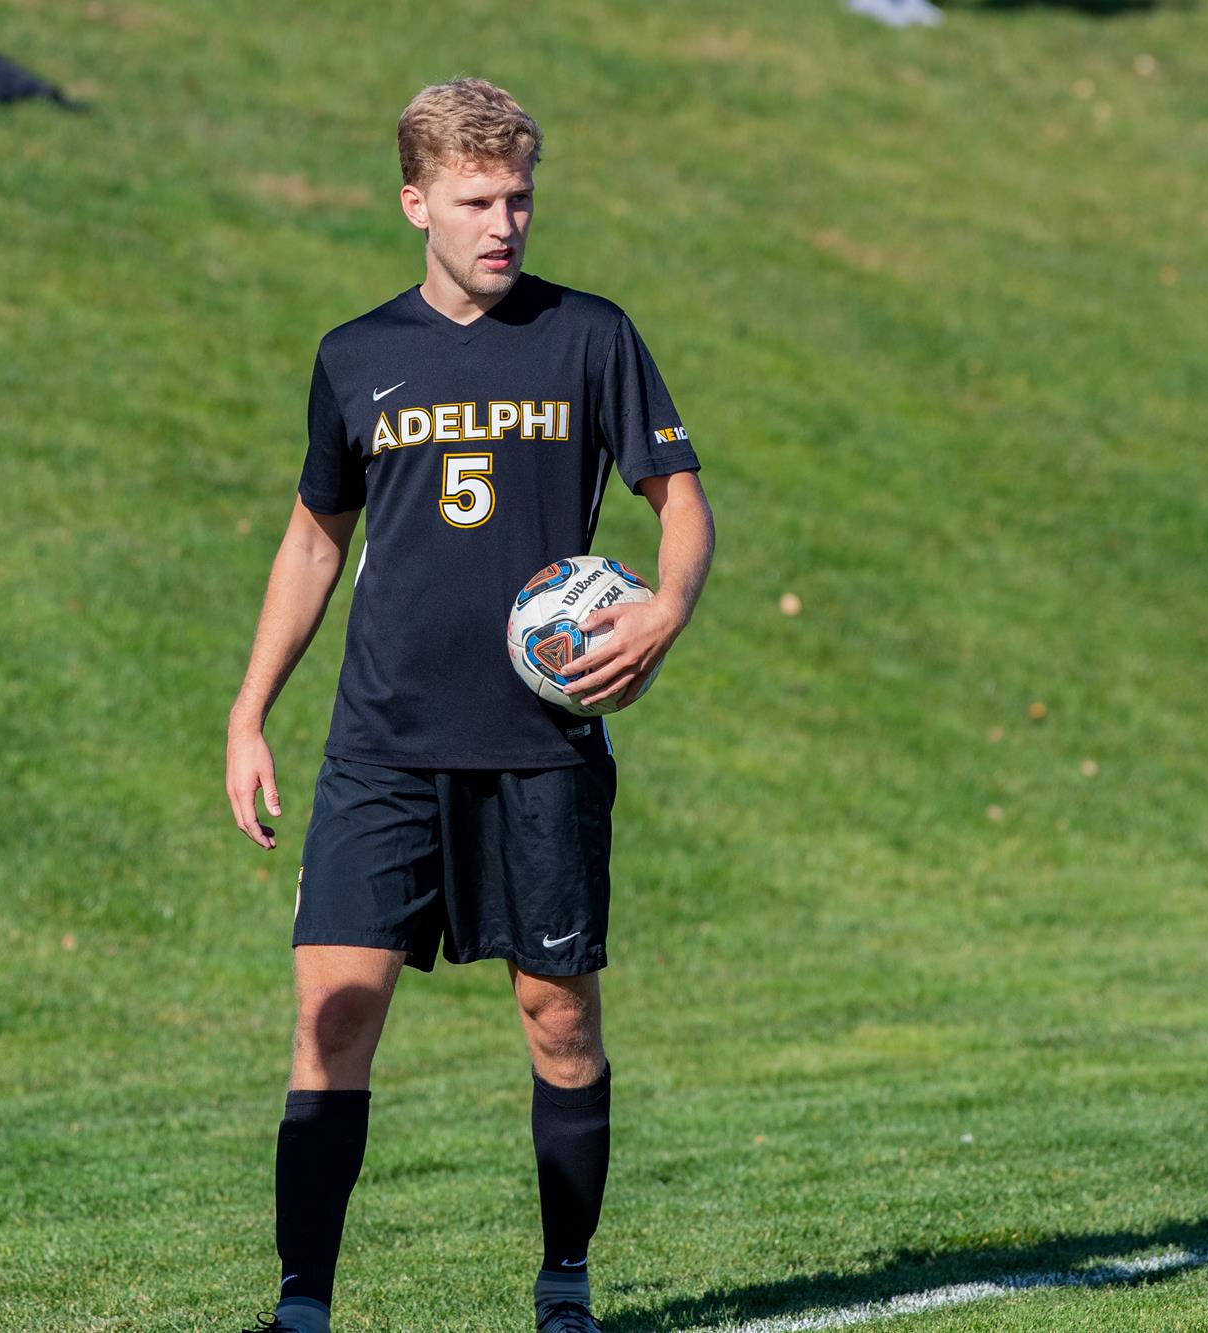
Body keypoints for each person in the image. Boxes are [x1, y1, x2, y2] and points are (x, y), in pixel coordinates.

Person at [223, 80, 714, 1333]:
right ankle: (303, 1304)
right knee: (330, 1014)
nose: (505, 223)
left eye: (520, 198)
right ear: (414, 202)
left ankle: (563, 1283)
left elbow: (679, 501)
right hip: (380, 747)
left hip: (538, 750)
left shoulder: (589, 337)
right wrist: (247, 711)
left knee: (559, 1020)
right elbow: (311, 543)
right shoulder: (355, 356)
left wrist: (662, 608)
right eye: (477, 200)